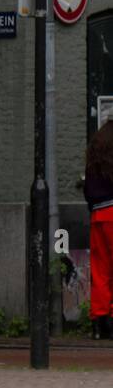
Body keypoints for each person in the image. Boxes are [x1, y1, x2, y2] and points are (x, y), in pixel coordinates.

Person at [85, 119, 113, 340]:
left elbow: (88, 189)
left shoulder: (95, 158)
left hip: (97, 215)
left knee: (100, 269)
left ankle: (98, 323)